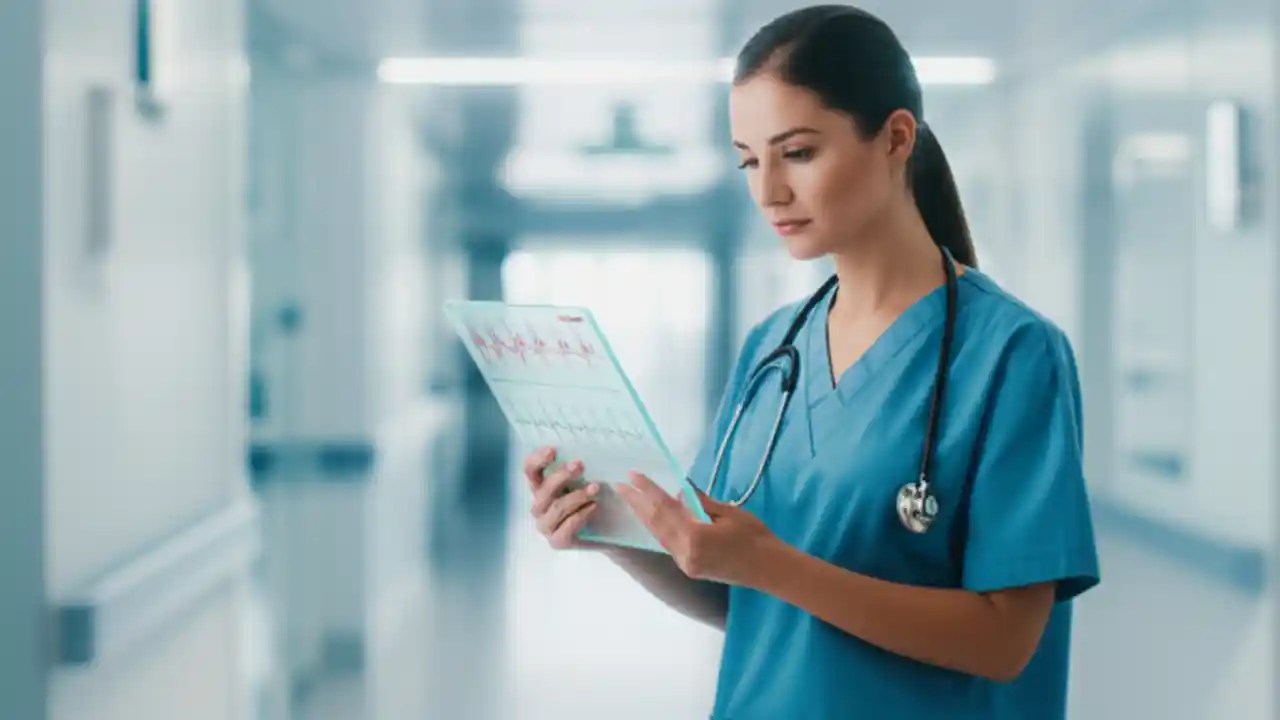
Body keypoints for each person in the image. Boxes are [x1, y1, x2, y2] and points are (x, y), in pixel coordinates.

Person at [522, 5, 1101, 718]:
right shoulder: (774, 348)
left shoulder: (1012, 355)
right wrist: (612, 531)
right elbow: (736, 591)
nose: (767, 191)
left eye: (797, 153)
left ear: (895, 138)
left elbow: (1005, 641)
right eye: (748, 160)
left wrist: (773, 565)